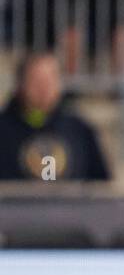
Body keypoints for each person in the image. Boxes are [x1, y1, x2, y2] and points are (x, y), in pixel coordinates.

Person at [0, 52, 109, 180]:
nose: (43, 88)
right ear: (21, 83)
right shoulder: (3, 128)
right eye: (36, 80)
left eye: (50, 80)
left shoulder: (80, 130)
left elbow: (101, 185)